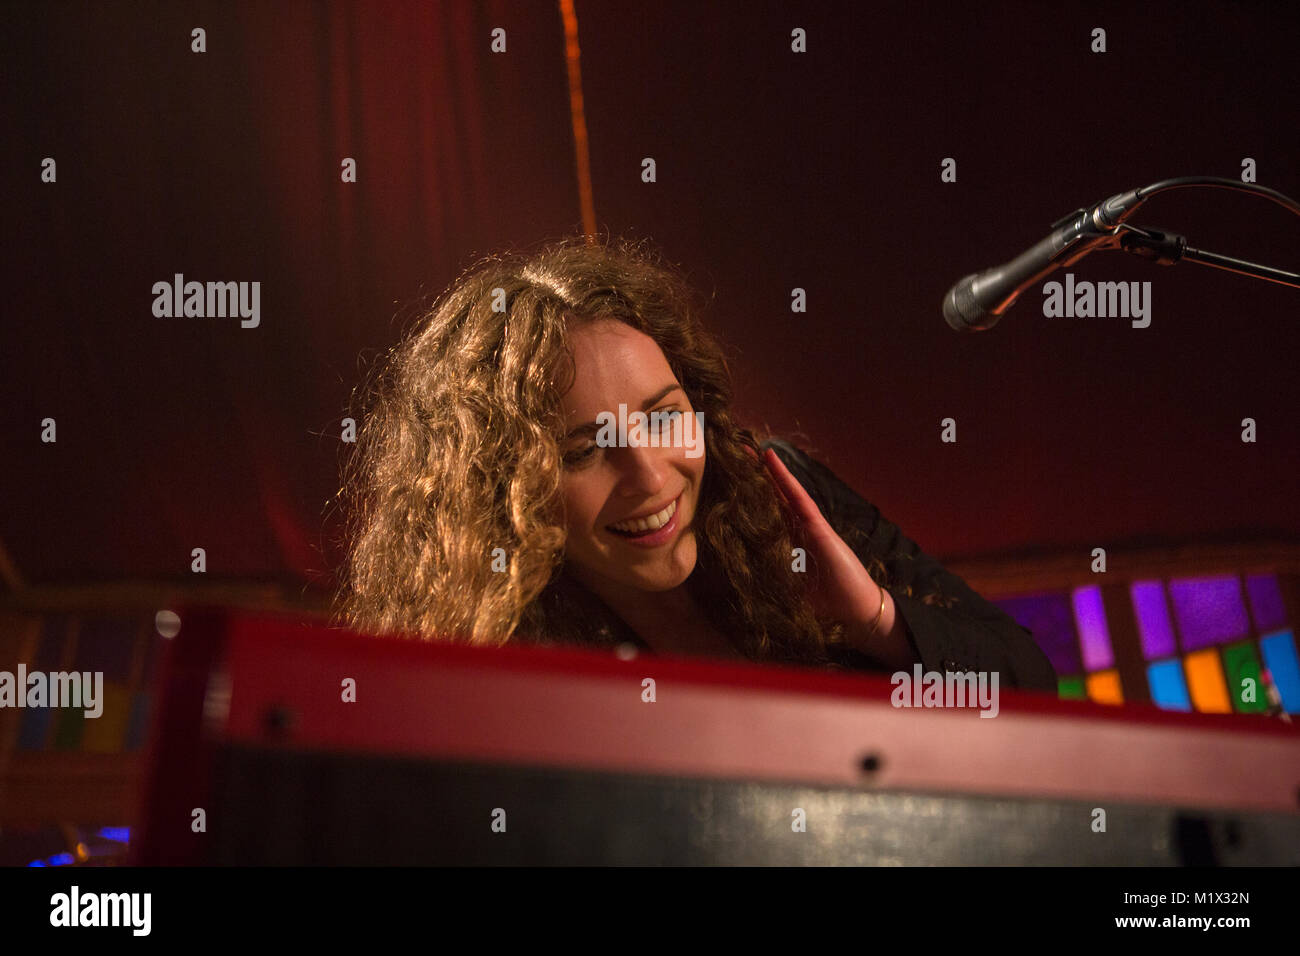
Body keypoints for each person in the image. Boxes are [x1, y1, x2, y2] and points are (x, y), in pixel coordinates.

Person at [334, 235, 1058, 692]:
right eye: (585, 450)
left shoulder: (777, 491)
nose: (651, 477)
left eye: (663, 416)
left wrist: (874, 620)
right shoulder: (504, 679)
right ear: (502, 495)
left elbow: (1029, 680)